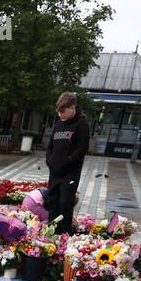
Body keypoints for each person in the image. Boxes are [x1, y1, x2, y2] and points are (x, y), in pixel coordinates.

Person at [44, 92, 90, 234]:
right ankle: (51, 232)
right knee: (53, 202)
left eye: (63, 111)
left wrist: (68, 160)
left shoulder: (81, 123)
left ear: (72, 108)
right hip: (55, 171)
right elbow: (51, 145)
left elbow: (82, 148)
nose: (60, 114)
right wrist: (49, 160)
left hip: (70, 173)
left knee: (65, 203)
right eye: (58, 111)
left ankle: (65, 233)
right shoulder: (58, 124)